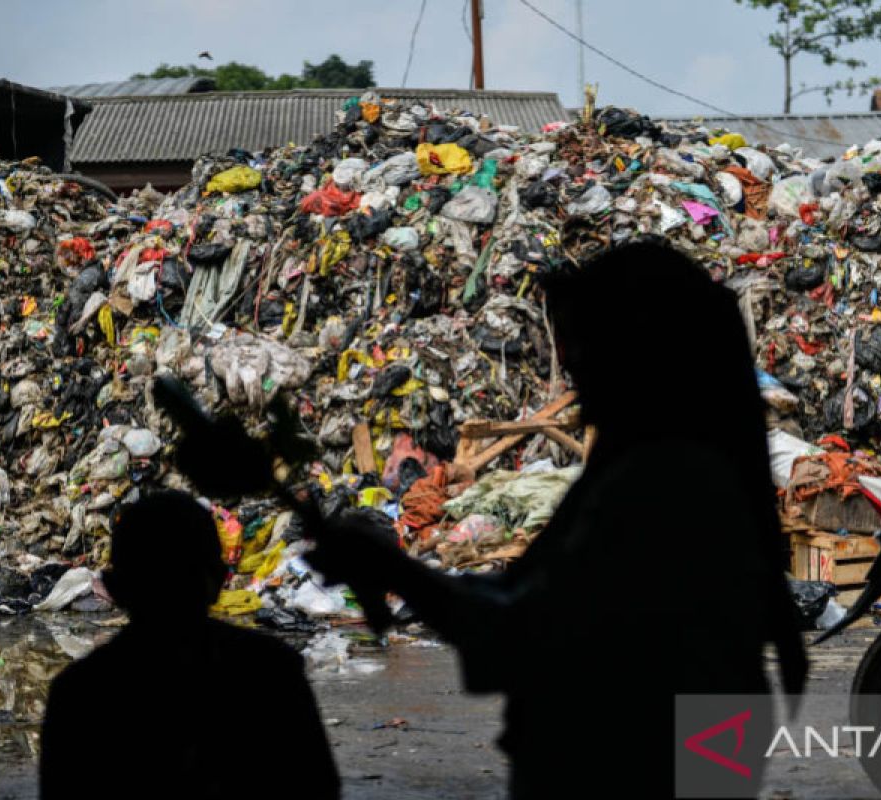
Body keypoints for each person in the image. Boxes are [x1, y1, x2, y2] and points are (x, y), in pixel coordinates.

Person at [306, 240, 808, 798]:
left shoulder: (663, 486)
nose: (570, 366)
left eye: (588, 345)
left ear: (644, 354)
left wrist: (398, 574)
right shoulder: (677, 472)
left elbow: (527, 629)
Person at [40, 491, 339, 800]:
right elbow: (320, 788)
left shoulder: (79, 695)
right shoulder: (271, 672)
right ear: (219, 580)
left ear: (116, 589)